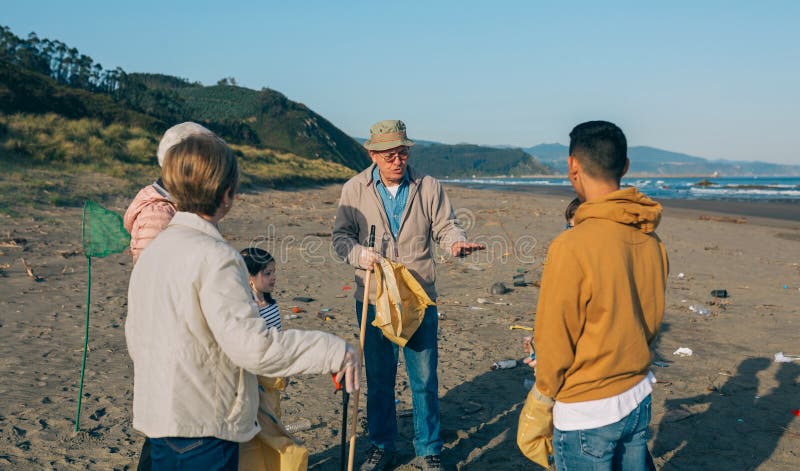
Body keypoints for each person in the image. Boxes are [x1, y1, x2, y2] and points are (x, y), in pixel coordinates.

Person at [126, 134, 359, 470]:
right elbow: (254, 348)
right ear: (227, 194)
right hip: (204, 425)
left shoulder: (154, 252)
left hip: (159, 418)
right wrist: (333, 350)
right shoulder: (217, 257)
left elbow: (137, 335)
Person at [332, 120, 485, 471]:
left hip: (418, 297)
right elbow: (340, 237)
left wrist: (455, 243)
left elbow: (446, 226)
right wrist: (358, 255)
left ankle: (429, 449)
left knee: (425, 379)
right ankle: (382, 446)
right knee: (380, 380)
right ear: (373, 154)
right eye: (389, 155)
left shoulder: (428, 186)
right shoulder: (354, 188)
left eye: (402, 152)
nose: (397, 160)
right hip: (372, 298)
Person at [528, 121, 668, 470]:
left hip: (586, 409)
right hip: (637, 394)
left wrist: (542, 395)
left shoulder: (571, 246)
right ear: (625, 167)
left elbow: (557, 337)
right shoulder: (651, 239)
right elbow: (648, 320)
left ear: (572, 165)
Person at [123, 121, 216, 470]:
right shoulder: (158, 214)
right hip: (166, 340)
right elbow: (156, 285)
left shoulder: (179, 206)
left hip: (176, 340)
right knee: (166, 432)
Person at [124, 121, 216, 264]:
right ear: (181, 162)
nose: (212, 170)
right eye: (207, 160)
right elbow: (153, 277)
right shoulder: (157, 216)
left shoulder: (186, 204)